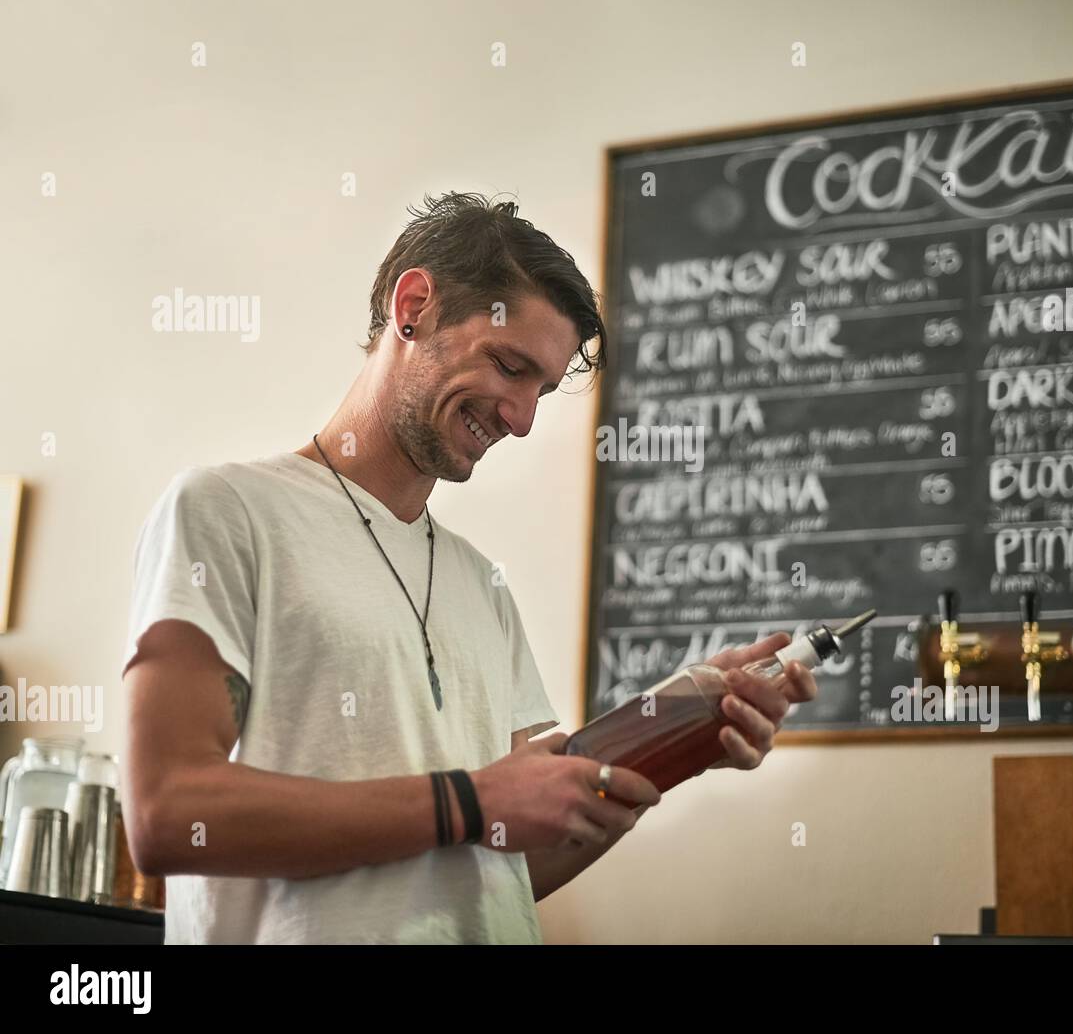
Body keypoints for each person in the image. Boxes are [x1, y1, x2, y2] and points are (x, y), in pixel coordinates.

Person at [120, 191, 817, 944]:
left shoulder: (483, 585)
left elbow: (507, 863)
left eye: (541, 391)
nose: (521, 419)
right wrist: (471, 801)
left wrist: (683, 741)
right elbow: (167, 812)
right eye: (510, 366)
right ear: (414, 305)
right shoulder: (228, 510)